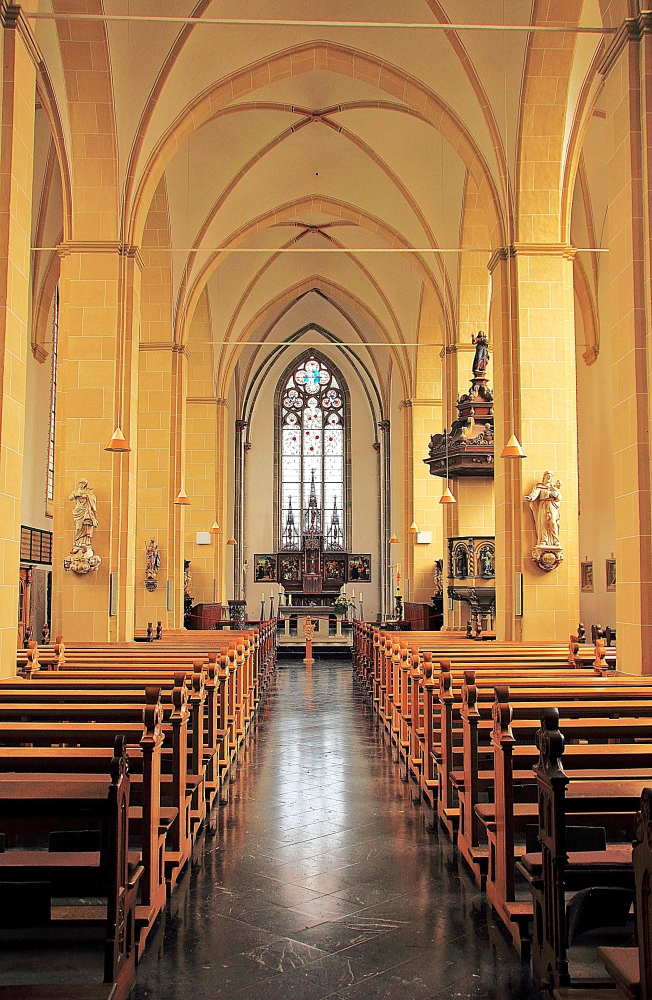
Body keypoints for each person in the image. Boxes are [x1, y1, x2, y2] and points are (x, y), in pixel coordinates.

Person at [525, 472, 562, 547]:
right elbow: (535, 494)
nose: (549, 477)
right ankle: (544, 540)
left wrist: (556, 493)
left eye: (551, 476)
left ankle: (555, 540)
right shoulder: (539, 486)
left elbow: (559, 497)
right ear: (544, 476)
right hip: (543, 505)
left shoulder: (553, 487)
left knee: (553, 522)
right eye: (548, 476)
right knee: (543, 522)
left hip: (552, 505)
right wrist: (530, 498)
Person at [68, 479, 98, 547]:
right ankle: (78, 542)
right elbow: (70, 498)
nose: (81, 485)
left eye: (83, 483)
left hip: (86, 511)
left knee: (86, 526)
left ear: (85, 484)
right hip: (78, 511)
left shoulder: (89, 492)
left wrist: (87, 496)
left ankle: (85, 542)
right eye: (80, 483)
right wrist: (77, 495)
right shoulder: (76, 491)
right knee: (78, 527)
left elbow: (93, 499)